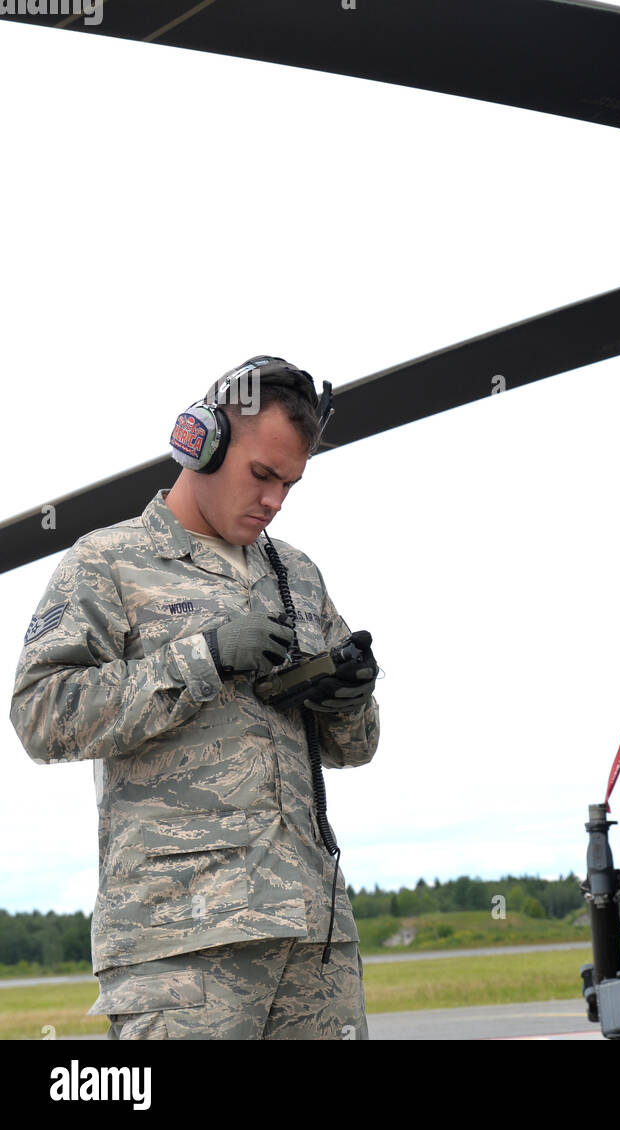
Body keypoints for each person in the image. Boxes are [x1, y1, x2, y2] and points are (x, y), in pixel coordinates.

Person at [9, 357, 380, 1039]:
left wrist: (348, 697)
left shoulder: (295, 573)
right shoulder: (108, 563)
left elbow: (353, 749)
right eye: (261, 475)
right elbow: (40, 713)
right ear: (201, 442)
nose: (273, 501)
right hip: (181, 950)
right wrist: (202, 658)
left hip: (313, 940)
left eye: (289, 485)